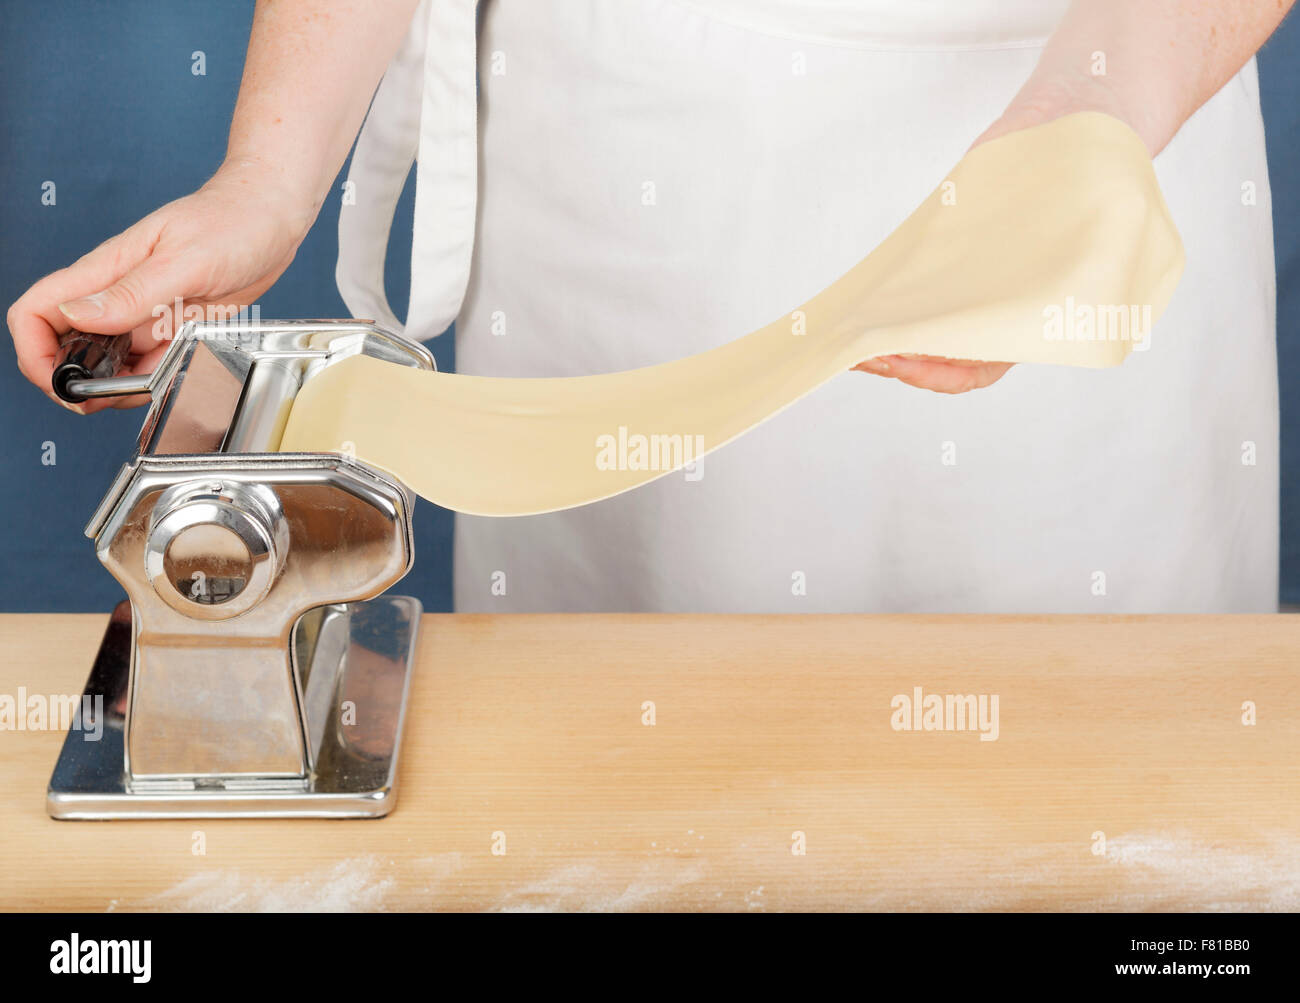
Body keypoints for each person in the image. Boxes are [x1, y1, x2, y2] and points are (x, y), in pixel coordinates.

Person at [7, 0, 1293, 612]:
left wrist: (1076, 143)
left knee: (1080, 809)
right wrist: (270, 177)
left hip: (1084, 110)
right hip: (609, 162)